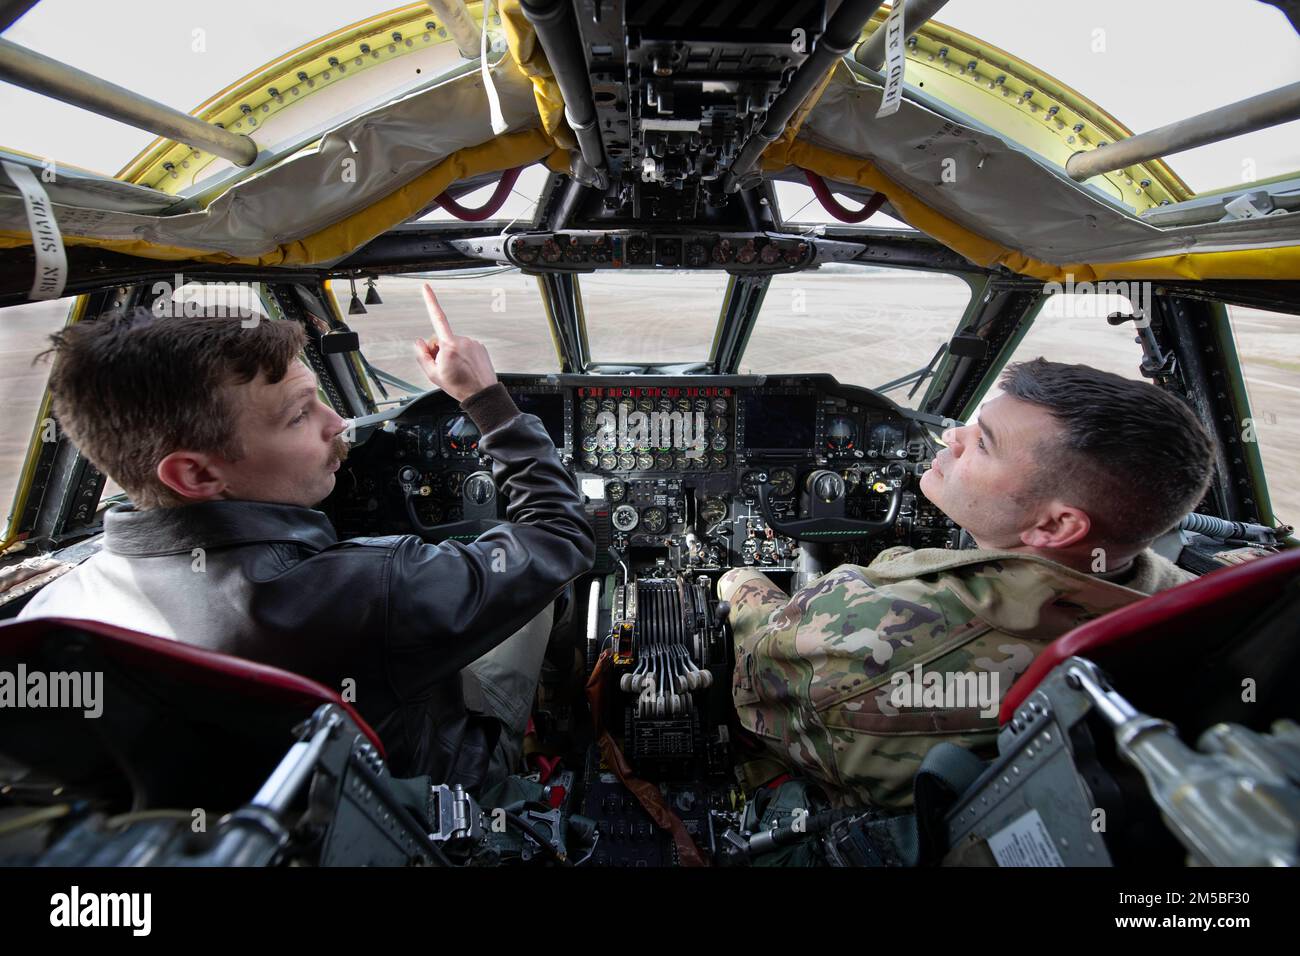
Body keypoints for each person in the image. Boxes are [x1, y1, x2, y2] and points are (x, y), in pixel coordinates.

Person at [19, 285, 595, 793]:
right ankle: (542, 742)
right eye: (299, 415)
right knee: (536, 595)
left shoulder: (50, 619)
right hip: (434, 798)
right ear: (194, 474)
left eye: (322, 397)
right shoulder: (371, 588)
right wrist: (487, 401)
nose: (338, 422)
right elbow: (558, 534)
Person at [721, 358, 1215, 809]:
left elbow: (756, 685)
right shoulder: (1216, 609)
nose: (953, 435)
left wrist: (738, 581)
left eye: (983, 443)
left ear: (1055, 527)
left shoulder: (866, 632)